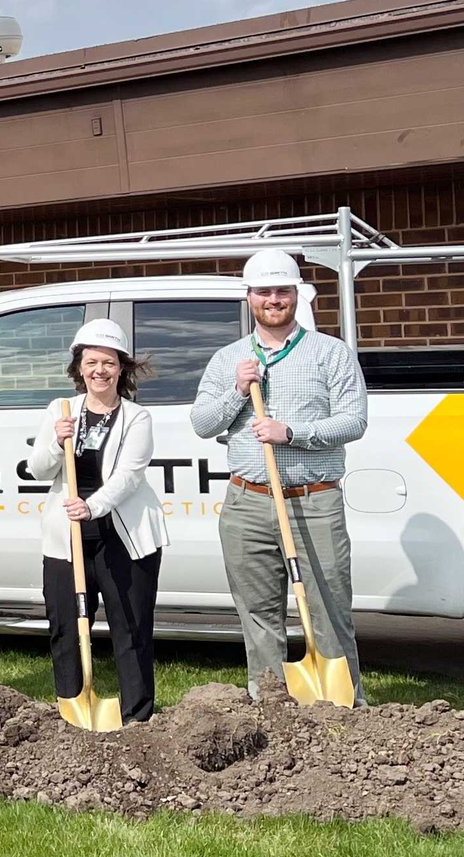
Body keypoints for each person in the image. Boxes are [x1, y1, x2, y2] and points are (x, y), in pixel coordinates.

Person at [192, 249, 369, 702]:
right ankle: (270, 707)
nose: (274, 299)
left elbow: (354, 421)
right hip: (247, 502)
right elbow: (202, 424)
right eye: (264, 291)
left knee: (329, 610)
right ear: (249, 297)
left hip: (313, 500)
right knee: (258, 613)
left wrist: (291, 432)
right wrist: (237, 391)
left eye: (282, 291)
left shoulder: (331, 353)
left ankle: (344, 708)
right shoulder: (227, 359)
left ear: (297, 295)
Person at [24, 319, 167, 723]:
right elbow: (37, 470)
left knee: (131, 630)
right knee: (66, 628)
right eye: (91, 362)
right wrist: (55, 438)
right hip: (66, 536)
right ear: (79, 367)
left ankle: (137, 718)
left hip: (123, 535)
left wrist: (93, 506)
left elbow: (129, 475)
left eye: (108, 362)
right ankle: (73, 710)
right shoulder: (60, 409)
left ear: (121, 368)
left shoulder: (137, 418)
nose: (99, 371)